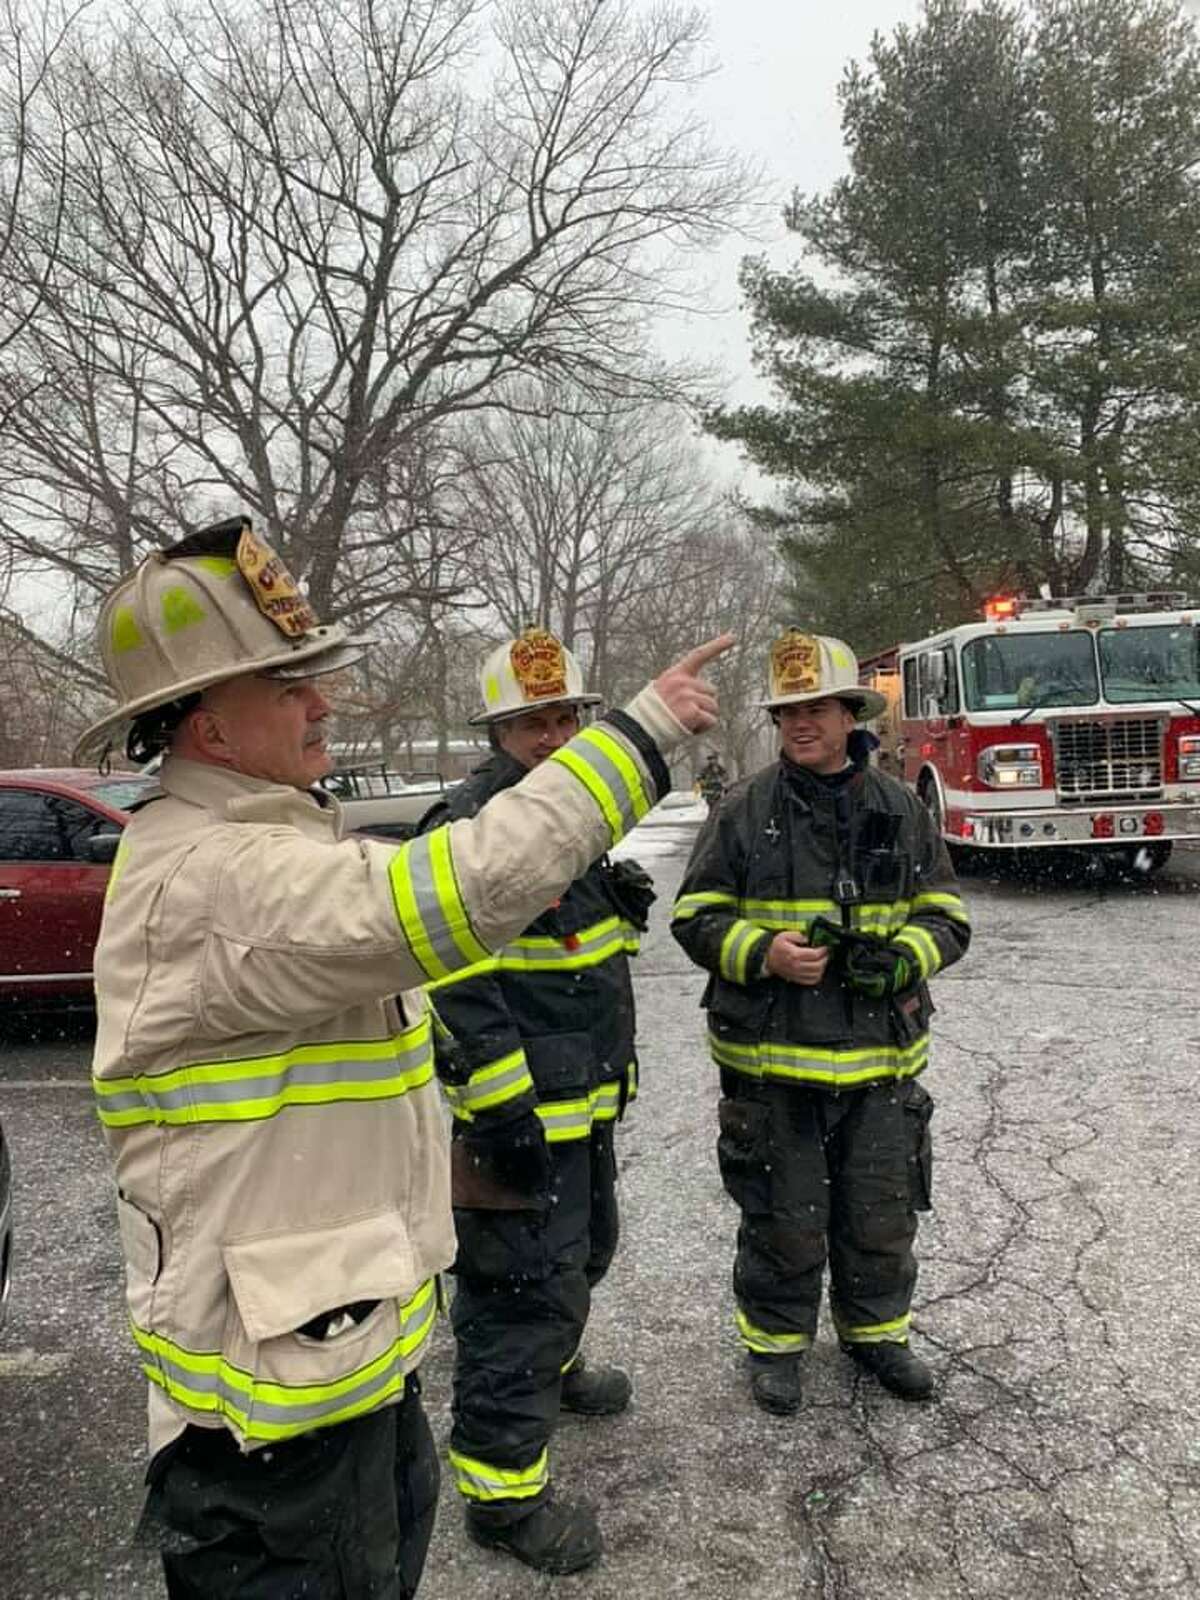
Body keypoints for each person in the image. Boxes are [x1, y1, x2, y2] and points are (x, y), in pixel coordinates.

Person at [78, 515, 730, 1598]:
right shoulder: (217, 876)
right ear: (209, 726)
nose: (323, 701)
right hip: (276, 1434)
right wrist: (641, 734)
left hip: (328, 1379)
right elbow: (460, 892)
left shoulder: (268, 841)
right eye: (289, 684)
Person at [670, 628, 970, 1416]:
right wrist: (762, 952)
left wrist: (905, 957)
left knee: (881, 1211)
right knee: (782, 1216)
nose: (800, 723)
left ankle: (877, 1336)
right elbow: (694, 917)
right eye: (786, 712)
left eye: (816, 708)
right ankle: (776, 1349)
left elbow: (946, 915)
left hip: (880, 1064)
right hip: (772, 1064)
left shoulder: (901, 808)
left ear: (850, 714)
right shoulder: (743, 809)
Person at [417, 628, 657, 1577]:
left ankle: (553, 1374)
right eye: (531, 722)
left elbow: (566, 958)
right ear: (498, 731)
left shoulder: (571, 824)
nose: (553, 737)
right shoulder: (469, 825)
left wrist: (614, 909)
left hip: (582, 1106)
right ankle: (501, 1496)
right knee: (518, 1298)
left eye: (565, 718)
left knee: (582, 1256)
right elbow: (453, 975)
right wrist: (501, 1100)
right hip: (520, 1122)